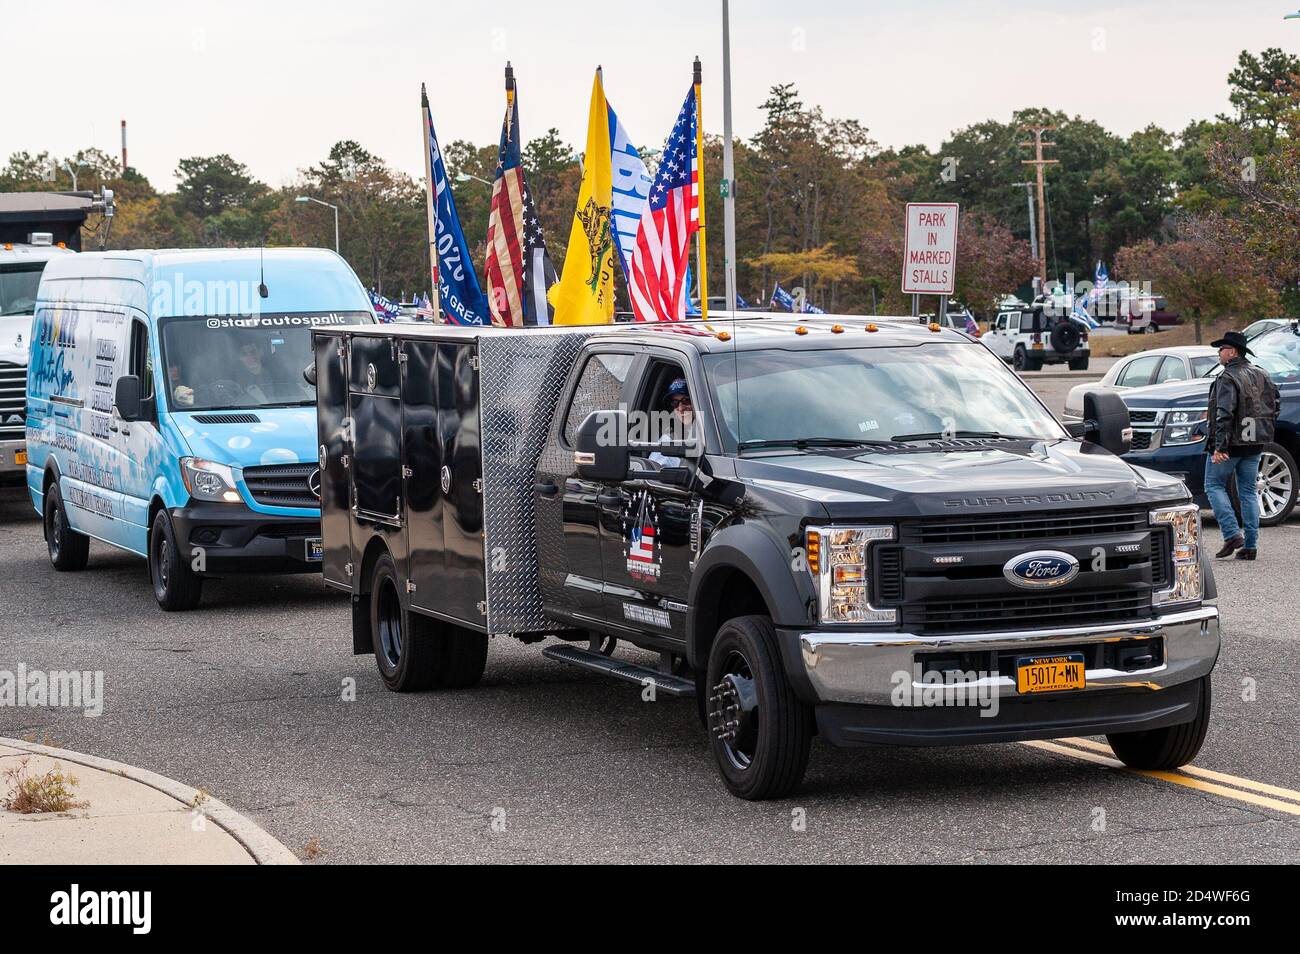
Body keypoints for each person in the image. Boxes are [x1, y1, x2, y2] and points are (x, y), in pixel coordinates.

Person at [1204, 330, 1281, 560]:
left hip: (1230, 445)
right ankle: (1250, 545)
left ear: (1233, 352)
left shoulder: (1227, 378)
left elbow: (1224, 414)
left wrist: (1220, 447)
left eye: (1222, 348)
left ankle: (1231, 534)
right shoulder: (1262, 374)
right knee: (1247, 492)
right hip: (1255, 443)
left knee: (1213, 485)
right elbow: (1275, 406)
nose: (1219, 352)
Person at [648, 378, 696, 468]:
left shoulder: (715, 432)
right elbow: (653, 473)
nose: (681, 408)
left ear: (697, 401)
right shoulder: (669, 440)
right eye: (675, 403)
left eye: (686, 400)